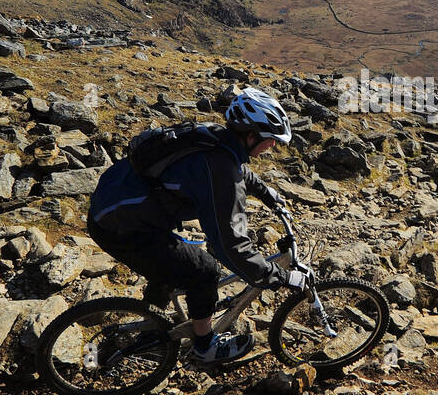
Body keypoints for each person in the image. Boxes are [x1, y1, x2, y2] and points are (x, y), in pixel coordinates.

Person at [86, 87, 307, 363]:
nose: (273, 145)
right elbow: (231, 245)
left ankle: (153, 319)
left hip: (115, 204)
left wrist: (265, 192)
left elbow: (237, 167)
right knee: (204, 270)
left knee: (175, 263)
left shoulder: (217, 137)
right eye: (271, 139)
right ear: (251, 136)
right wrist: (279, 277)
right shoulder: (223, 175)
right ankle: (205, 346)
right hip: (120, 227)